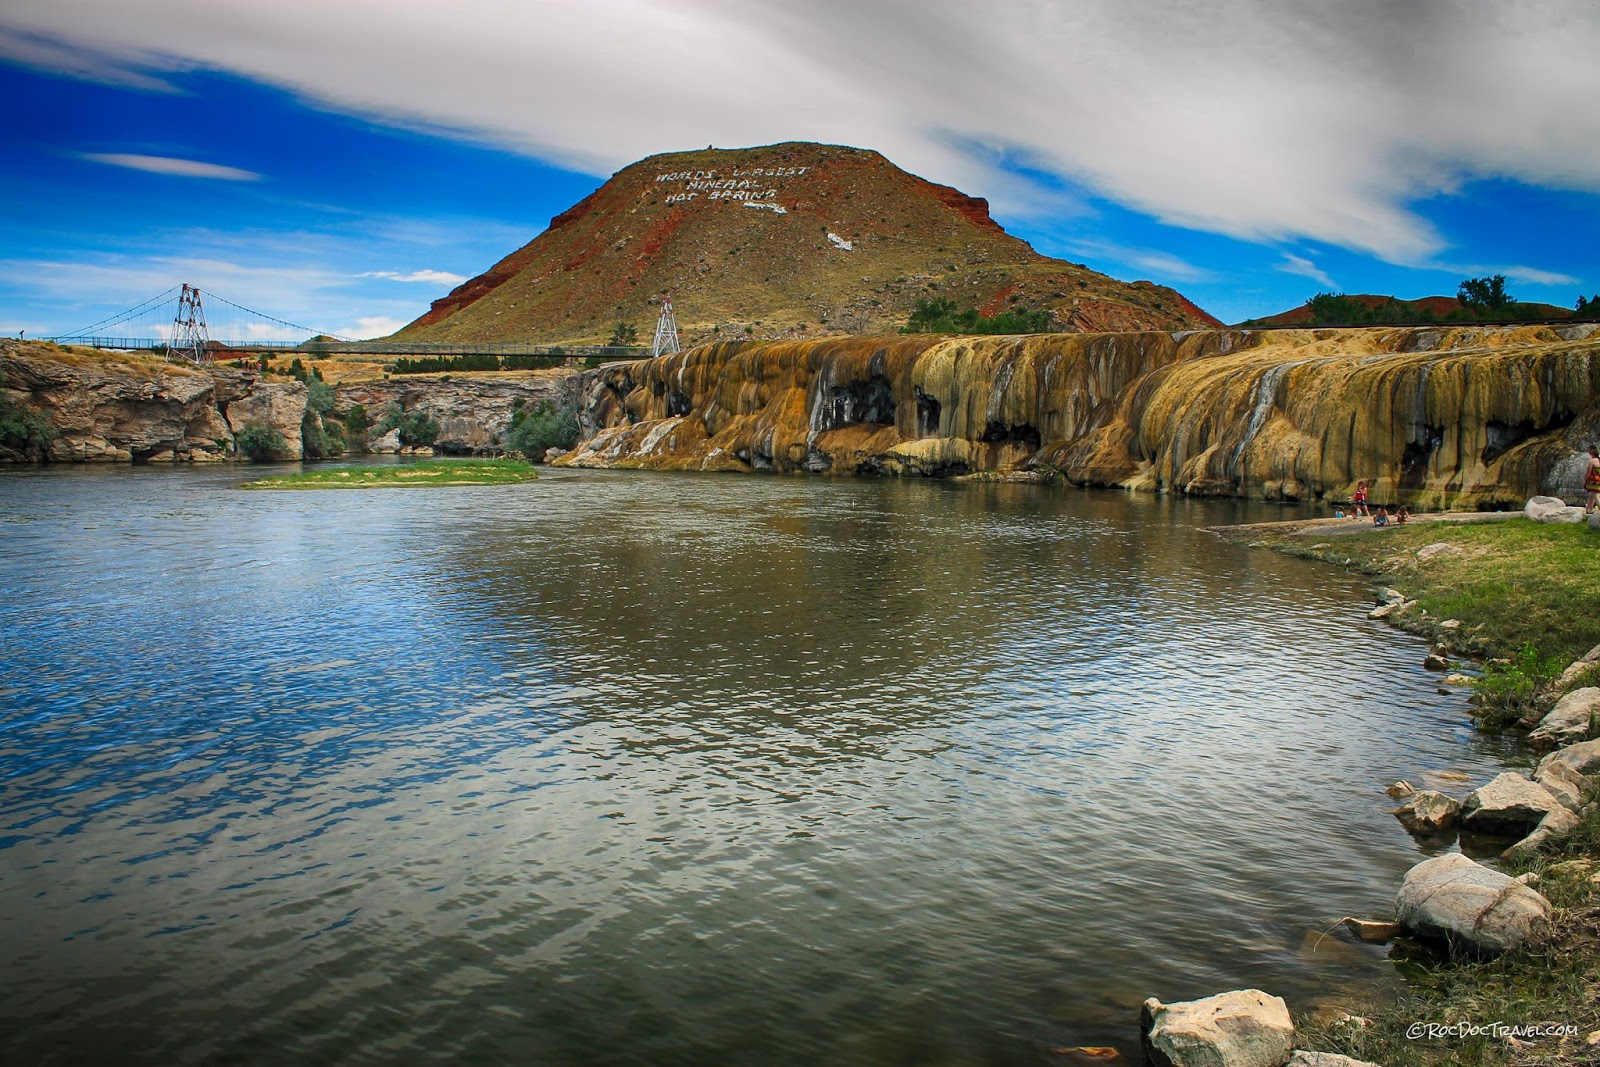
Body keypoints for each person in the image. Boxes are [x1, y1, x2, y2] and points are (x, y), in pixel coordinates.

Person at [1585, 445, 1600, 515]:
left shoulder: (1592, 461)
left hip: (1593, 481)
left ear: (1592, 454)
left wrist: (1585, 481)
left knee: (1596, 496)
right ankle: (1588, 509)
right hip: (1599, 480)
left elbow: (1588, 472)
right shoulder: (1599, 461)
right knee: (1591, 495)